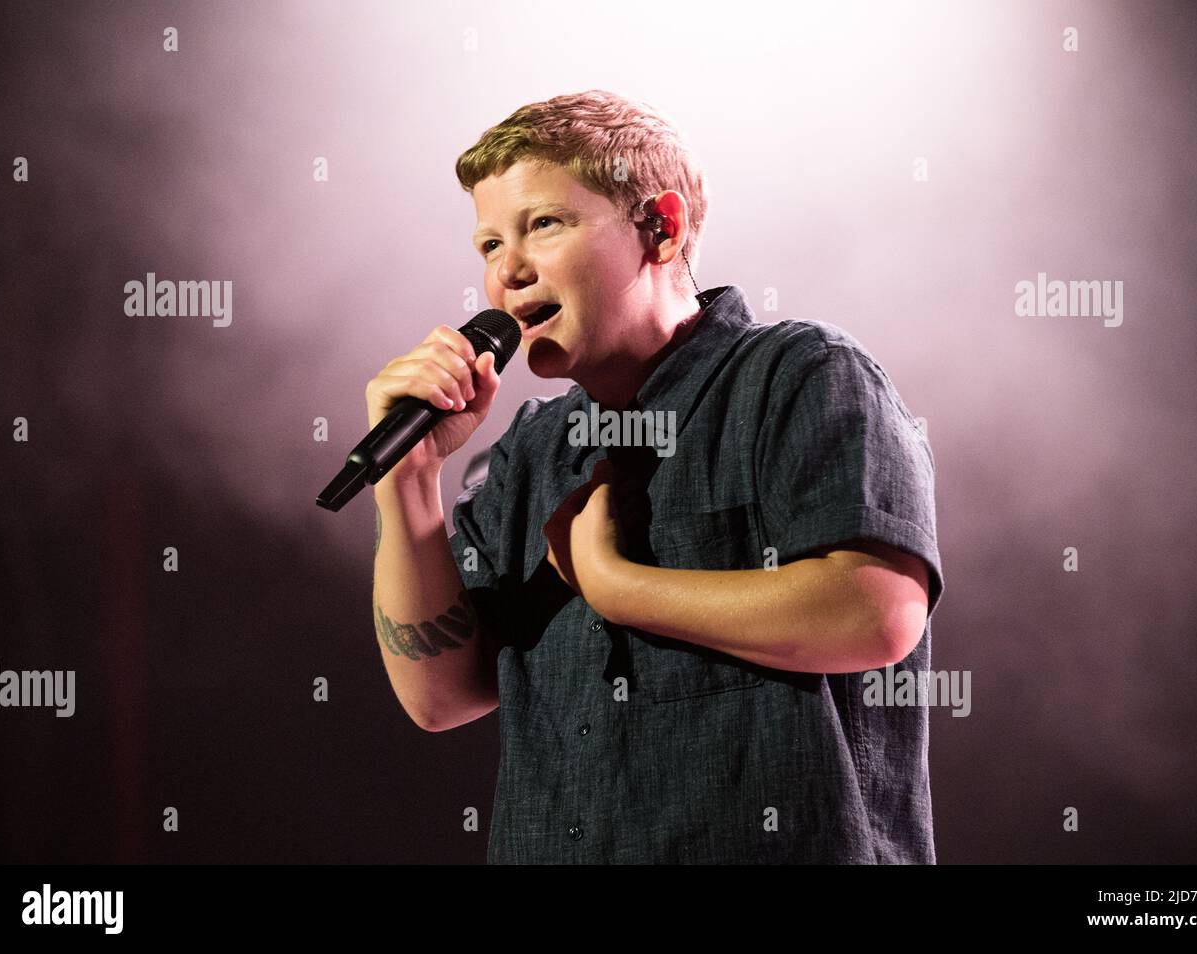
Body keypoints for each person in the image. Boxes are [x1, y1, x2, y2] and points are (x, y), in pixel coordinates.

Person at [366, 90, 945, 863]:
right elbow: (439, 696)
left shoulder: (799, 373)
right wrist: (407, 482)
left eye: (544, 224)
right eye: (487, 244)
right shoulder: (532, 452)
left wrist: (616, 586)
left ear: (661, 228)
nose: (508, 269)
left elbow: (876, 615)